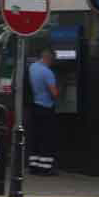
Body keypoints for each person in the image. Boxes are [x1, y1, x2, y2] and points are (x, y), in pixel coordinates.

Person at [27, 48, 60, 176]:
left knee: (35, 137)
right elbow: (54, 93)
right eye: (53, 60)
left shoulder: (32, 67)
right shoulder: (47, 72)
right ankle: (45, 168)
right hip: (46, 108)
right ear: (49, 58)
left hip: (34, 107)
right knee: (47, 138)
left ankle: (33, 167)